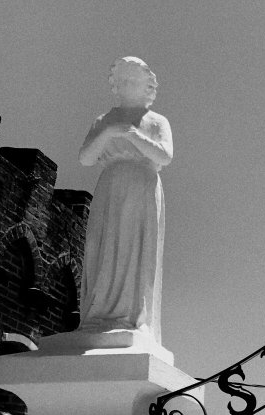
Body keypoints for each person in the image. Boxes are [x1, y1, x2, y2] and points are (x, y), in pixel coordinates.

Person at [79, 57, 174, 343]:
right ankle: (98, 314)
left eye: (132, 81)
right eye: (122, 81)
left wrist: (133, 136)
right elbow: (85, 158)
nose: (126, 86)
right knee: (104, 247)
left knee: (135, 250)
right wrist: (108, 132)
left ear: (146, 86)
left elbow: (165, 156)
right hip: (110, 188)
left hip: (142, 188)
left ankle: (133, 317)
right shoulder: (104, 120)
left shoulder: (156, 121)